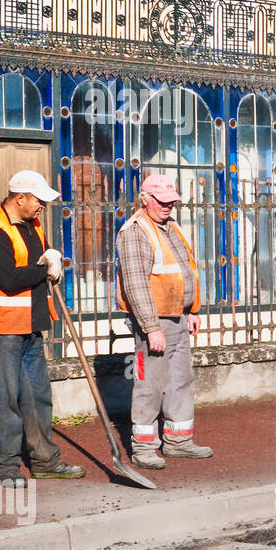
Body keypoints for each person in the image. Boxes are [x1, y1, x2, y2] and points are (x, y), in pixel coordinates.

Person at [0, 170, 85, 486]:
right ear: (19, 198)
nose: (43, 207)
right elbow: (8, 279)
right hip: (2, 328)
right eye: (39, 200)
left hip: (31, 325)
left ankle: (46, 460)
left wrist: (51, 259)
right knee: (6, 399)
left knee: (37, 397)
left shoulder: (32, 226)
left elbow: (34, 269)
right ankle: (6, 468)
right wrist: (45, 267)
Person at [115, 174, 211, 469]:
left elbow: (186, 270)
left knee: (181, 380)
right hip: (153, 323)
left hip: (178, 318)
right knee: (148, 383)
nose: (168, 205)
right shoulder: (134, 231)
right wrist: (151, 327)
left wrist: (192, 310)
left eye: (171, 201)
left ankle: (178, 441)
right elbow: (135, 285)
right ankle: (143, 448)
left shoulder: (169, 227)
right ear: (145, 199)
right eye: (162, 200)